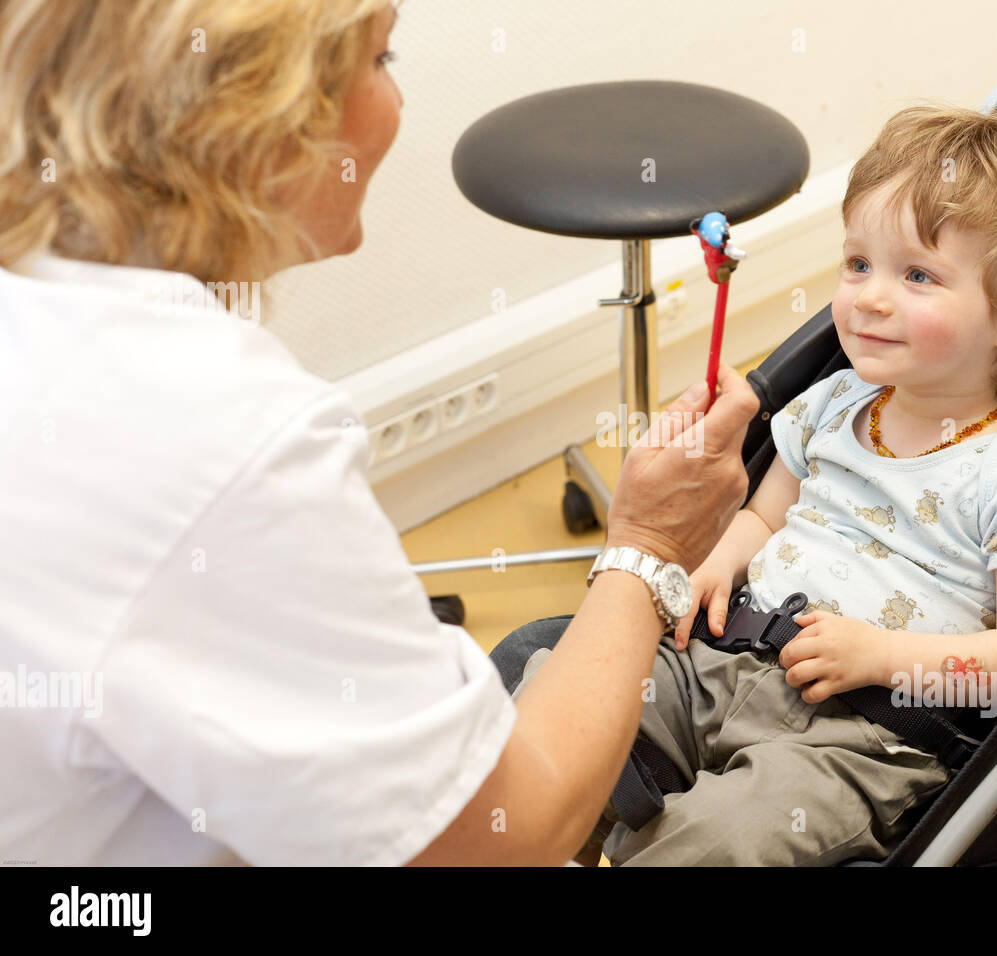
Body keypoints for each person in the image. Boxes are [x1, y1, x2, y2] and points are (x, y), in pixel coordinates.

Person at [0, 0, 759, 866]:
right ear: (263, 105)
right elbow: (500, 837)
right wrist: (649, 548)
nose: (394, 100)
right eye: (381, 56)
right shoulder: (216, 445)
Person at [509, 105, 997, 865]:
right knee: (553, 697)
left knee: (727, 836)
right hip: (721, 662)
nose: (870, 297)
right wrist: (716, 562)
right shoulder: (830, 403)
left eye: (917, 275)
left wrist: (884, 656)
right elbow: (761, 517)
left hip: (858, 735)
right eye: (858, 264)